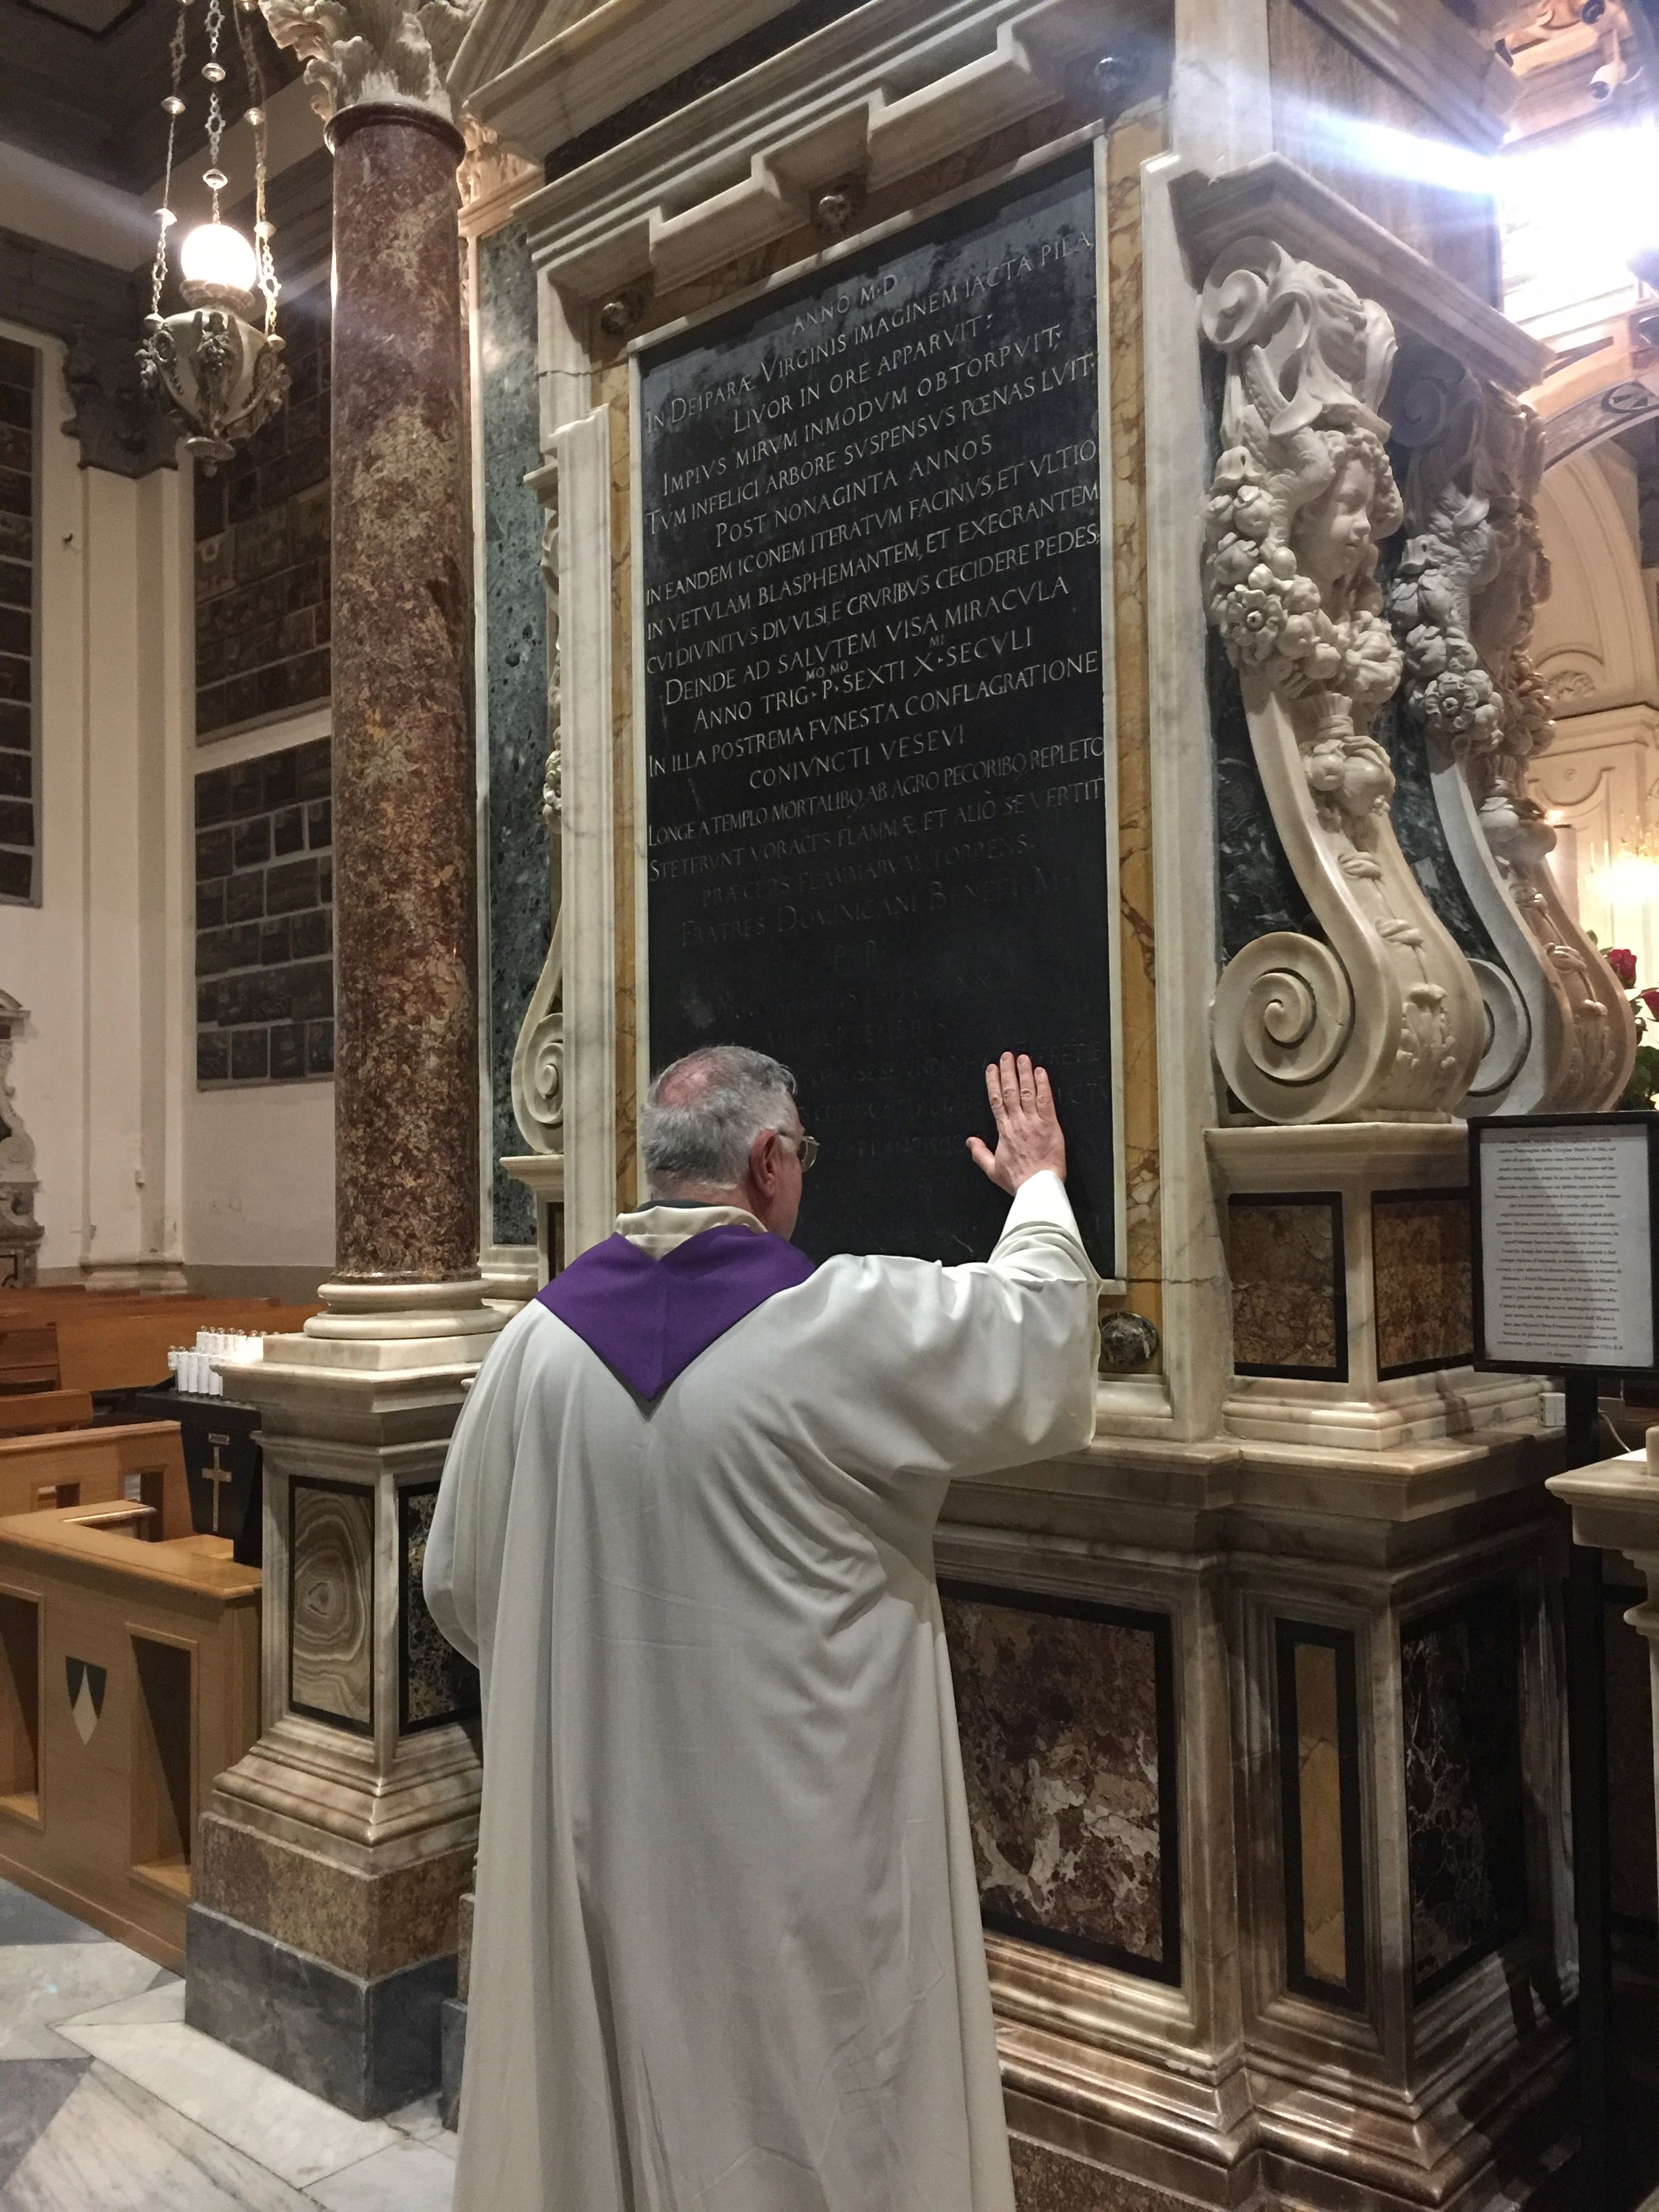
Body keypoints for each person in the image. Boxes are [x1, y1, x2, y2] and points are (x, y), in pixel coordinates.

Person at [424, 1044, 1099, 2212]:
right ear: (770, 1162)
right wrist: (1038, 1186)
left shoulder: (533, 1348)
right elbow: (1038, 1335)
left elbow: (464, 1585)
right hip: (791, 1878)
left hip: (600, 1845)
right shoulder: (828, 1326)